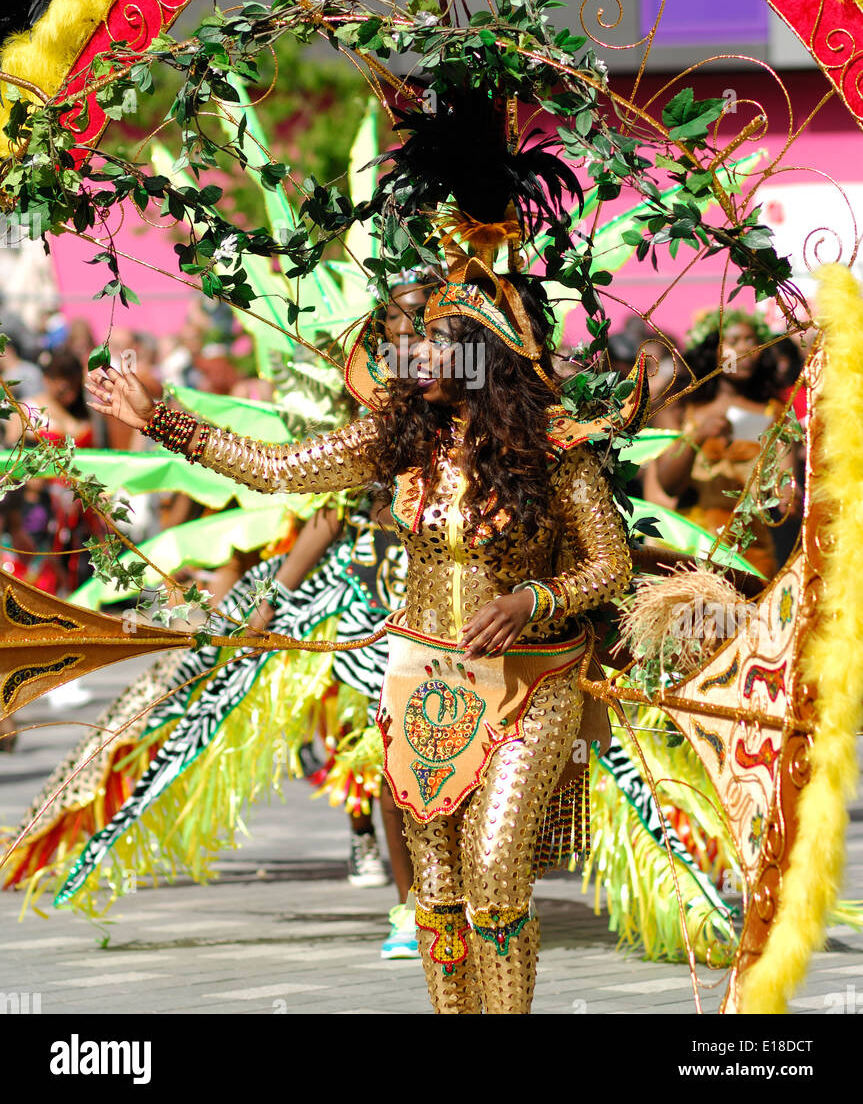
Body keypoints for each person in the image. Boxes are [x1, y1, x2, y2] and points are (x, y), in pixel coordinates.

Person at [85, 259, 634, 1014]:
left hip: (529, 684)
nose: (415, 356)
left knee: (496, 872)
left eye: (438, 342)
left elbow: (611, 564)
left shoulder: (555, 451)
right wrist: (163, 421)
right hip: (422, 684)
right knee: (437, 892)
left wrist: (534, 598)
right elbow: (276, 469)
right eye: (415, 343)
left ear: (487, 352)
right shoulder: (402, 440)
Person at [654, 310, 799, 578]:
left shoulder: (773, 412)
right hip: (690, 548)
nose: (745, 350)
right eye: (733, 341)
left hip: (749, 552)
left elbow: (786, 484)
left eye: (751, 341)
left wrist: (789, 496)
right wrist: (697, 436)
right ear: (712, 349)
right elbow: (669, 485)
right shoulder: (682, 409)